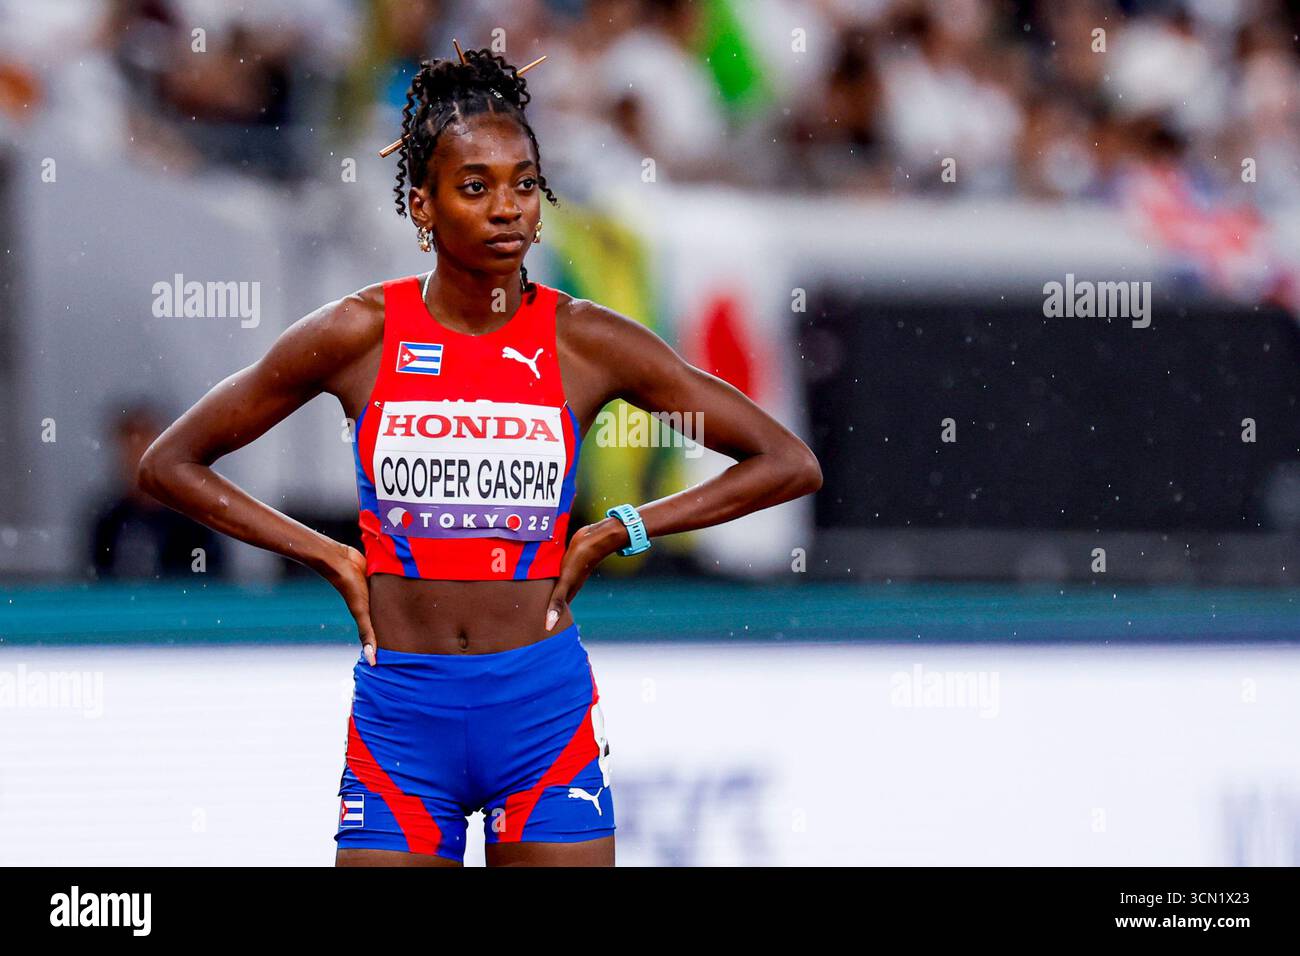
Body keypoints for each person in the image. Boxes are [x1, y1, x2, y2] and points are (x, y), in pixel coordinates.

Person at [138, 47, 821, 868]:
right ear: (421, 206)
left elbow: (784, 461)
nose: (509, 209)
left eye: (525, 184)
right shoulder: (360, 335)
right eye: (476, 188)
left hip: (540, 713)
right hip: (402, 715)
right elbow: (171, 464)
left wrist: (622, 529)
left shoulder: (587, 344)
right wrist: (326, 555)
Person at [88, 400, 224, 580]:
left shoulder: (193, 522)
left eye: (145, 443)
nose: (136, 455)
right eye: (130, 447)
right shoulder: (109, 519)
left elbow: (210, 582)